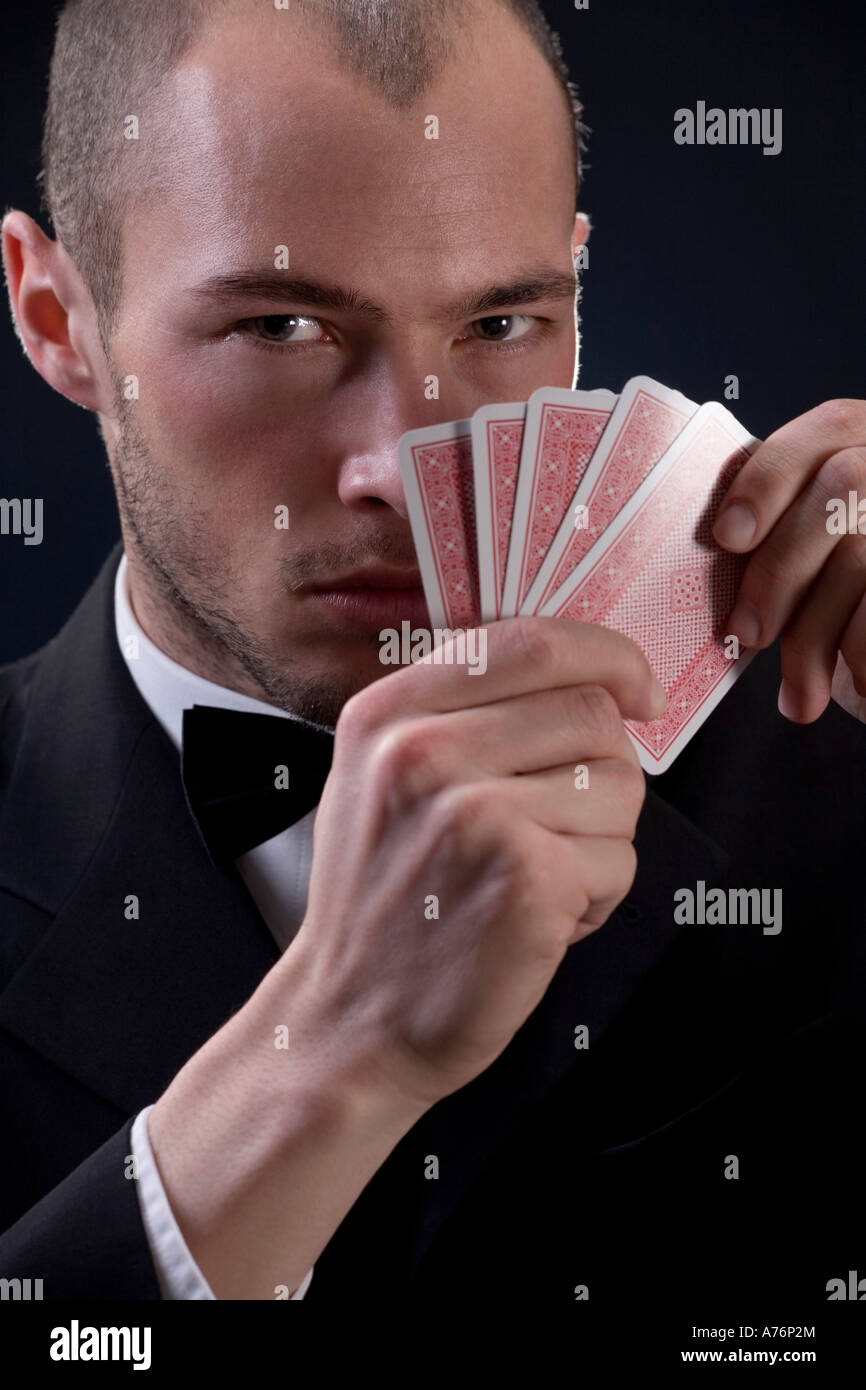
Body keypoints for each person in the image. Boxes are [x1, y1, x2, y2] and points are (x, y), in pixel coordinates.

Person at [1, 0, 864, 1309]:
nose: (407, 472)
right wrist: (327, 1053)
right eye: (282, 328)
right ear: (60, 319)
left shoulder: (830, 766)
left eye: (496, 325)